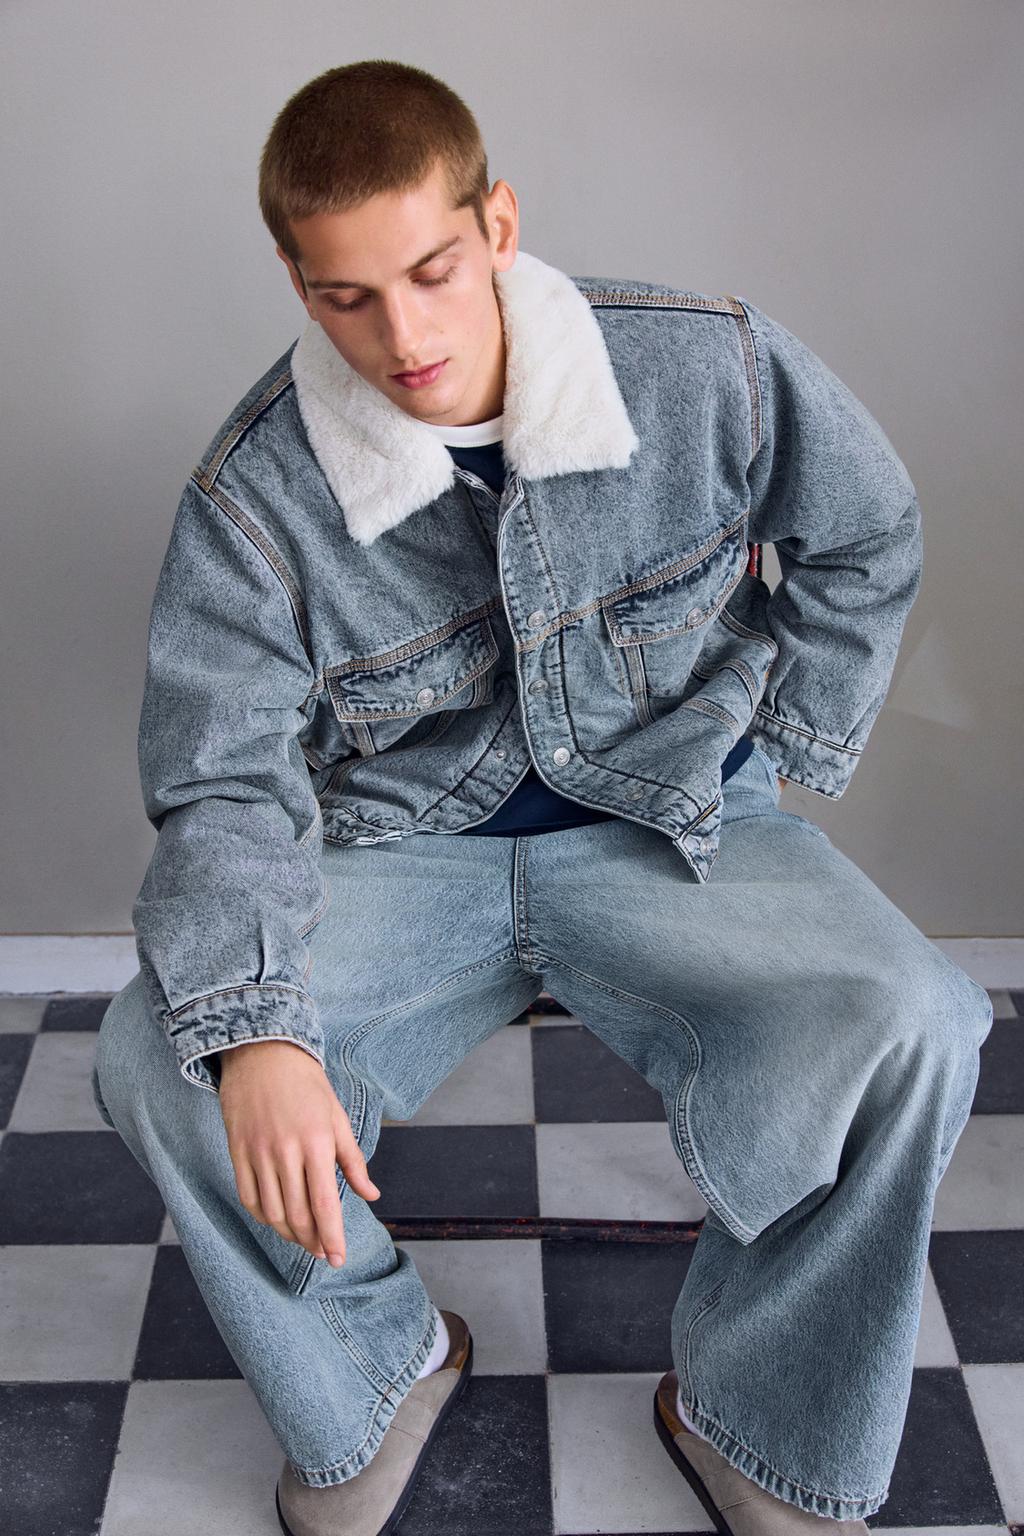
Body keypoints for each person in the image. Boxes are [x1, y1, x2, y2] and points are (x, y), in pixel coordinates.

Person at [91, 58, 994, 1536]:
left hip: (674, 825)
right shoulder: (254, 495)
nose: (403, 338)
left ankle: (753, 1415)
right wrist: (252, 1032)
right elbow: (220, 778)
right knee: (163, 1055)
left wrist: (776, 743)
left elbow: (866, 530)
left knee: (916, 1022)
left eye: (432, 273)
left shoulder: (706, 366)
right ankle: (377, 1373)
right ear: (297, 283)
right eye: (345, 298)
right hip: (397, 850)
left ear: (498, 224)